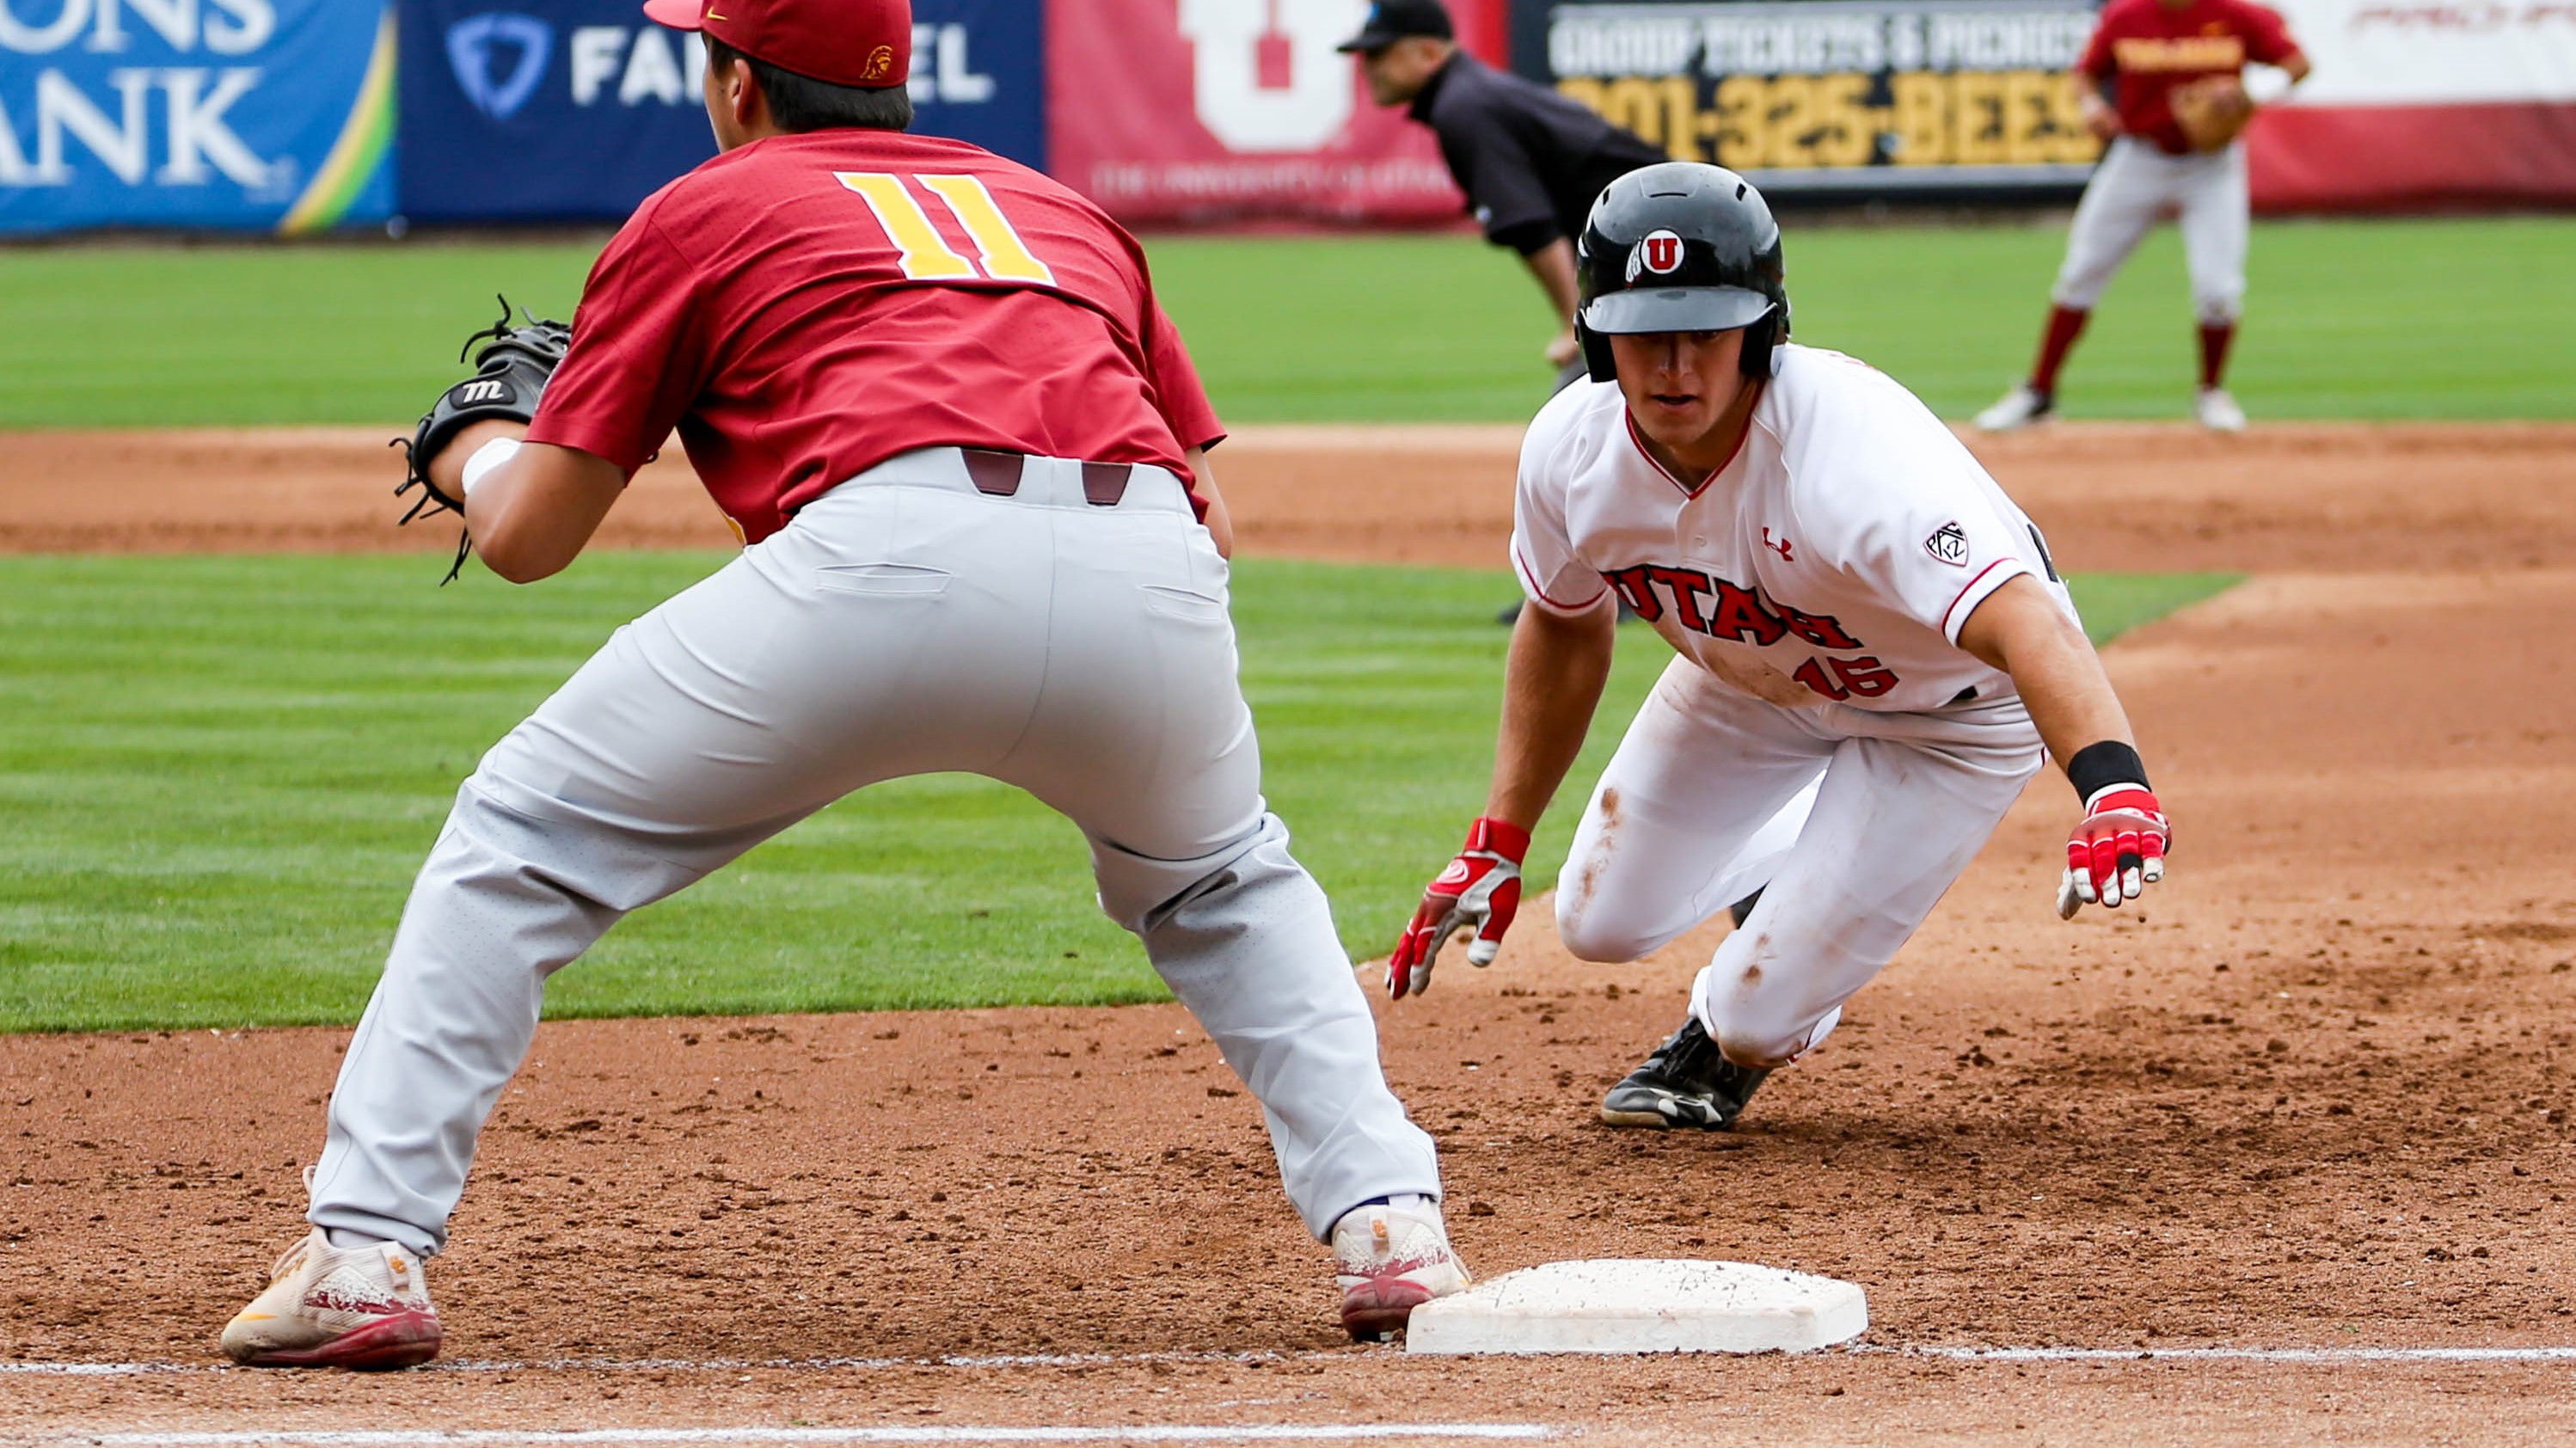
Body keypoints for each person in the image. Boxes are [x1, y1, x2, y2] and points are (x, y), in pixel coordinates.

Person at [218, 0, 1466, 1369]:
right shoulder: (1059, 210)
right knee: (1224, 880)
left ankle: (363, 1252)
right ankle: (1391, 1225)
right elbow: (1210, 510)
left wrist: (478, 446)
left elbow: (529, 540)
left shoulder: (705, 205)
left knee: (522, 841)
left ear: (737, 83)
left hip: (885, 562)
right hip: (1153, 569)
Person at [1383, 163, 2173, 1135]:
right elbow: (1561, 617)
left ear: (1761, 333)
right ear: (1594, 337)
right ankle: (1792, 866)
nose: (1673, 366)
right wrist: (1495, 841)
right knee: (1596, 921)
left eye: (1705, 333)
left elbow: (2022, 618)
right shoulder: (1569, 452)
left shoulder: (1849, 452)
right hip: (1749, 683)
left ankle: (1728, 1028)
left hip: (1946, 720)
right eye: (1642, 335)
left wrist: (2113, 787)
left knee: (1755, 1018)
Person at [1976, 0, 2310, 434]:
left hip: (2212, 167)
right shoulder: (2126, 15)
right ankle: (2039, 392)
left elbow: (2297, 64)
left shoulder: (2235, 14)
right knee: (2081, 272)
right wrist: (2092, 106)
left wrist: (2252, 91)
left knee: (2219, 288)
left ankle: (2212, 392)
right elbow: (2086, 73)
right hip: (2138, 158)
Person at [1341, 0, 1665, 393]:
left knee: (1580, 394)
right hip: (1648, 244)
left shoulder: (1463, 107)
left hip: (1664, 242)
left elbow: (1531, 226)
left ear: (1428, 52)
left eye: (1379, 53)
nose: (1366, 66)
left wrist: (1573, 323)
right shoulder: (1469, 94)